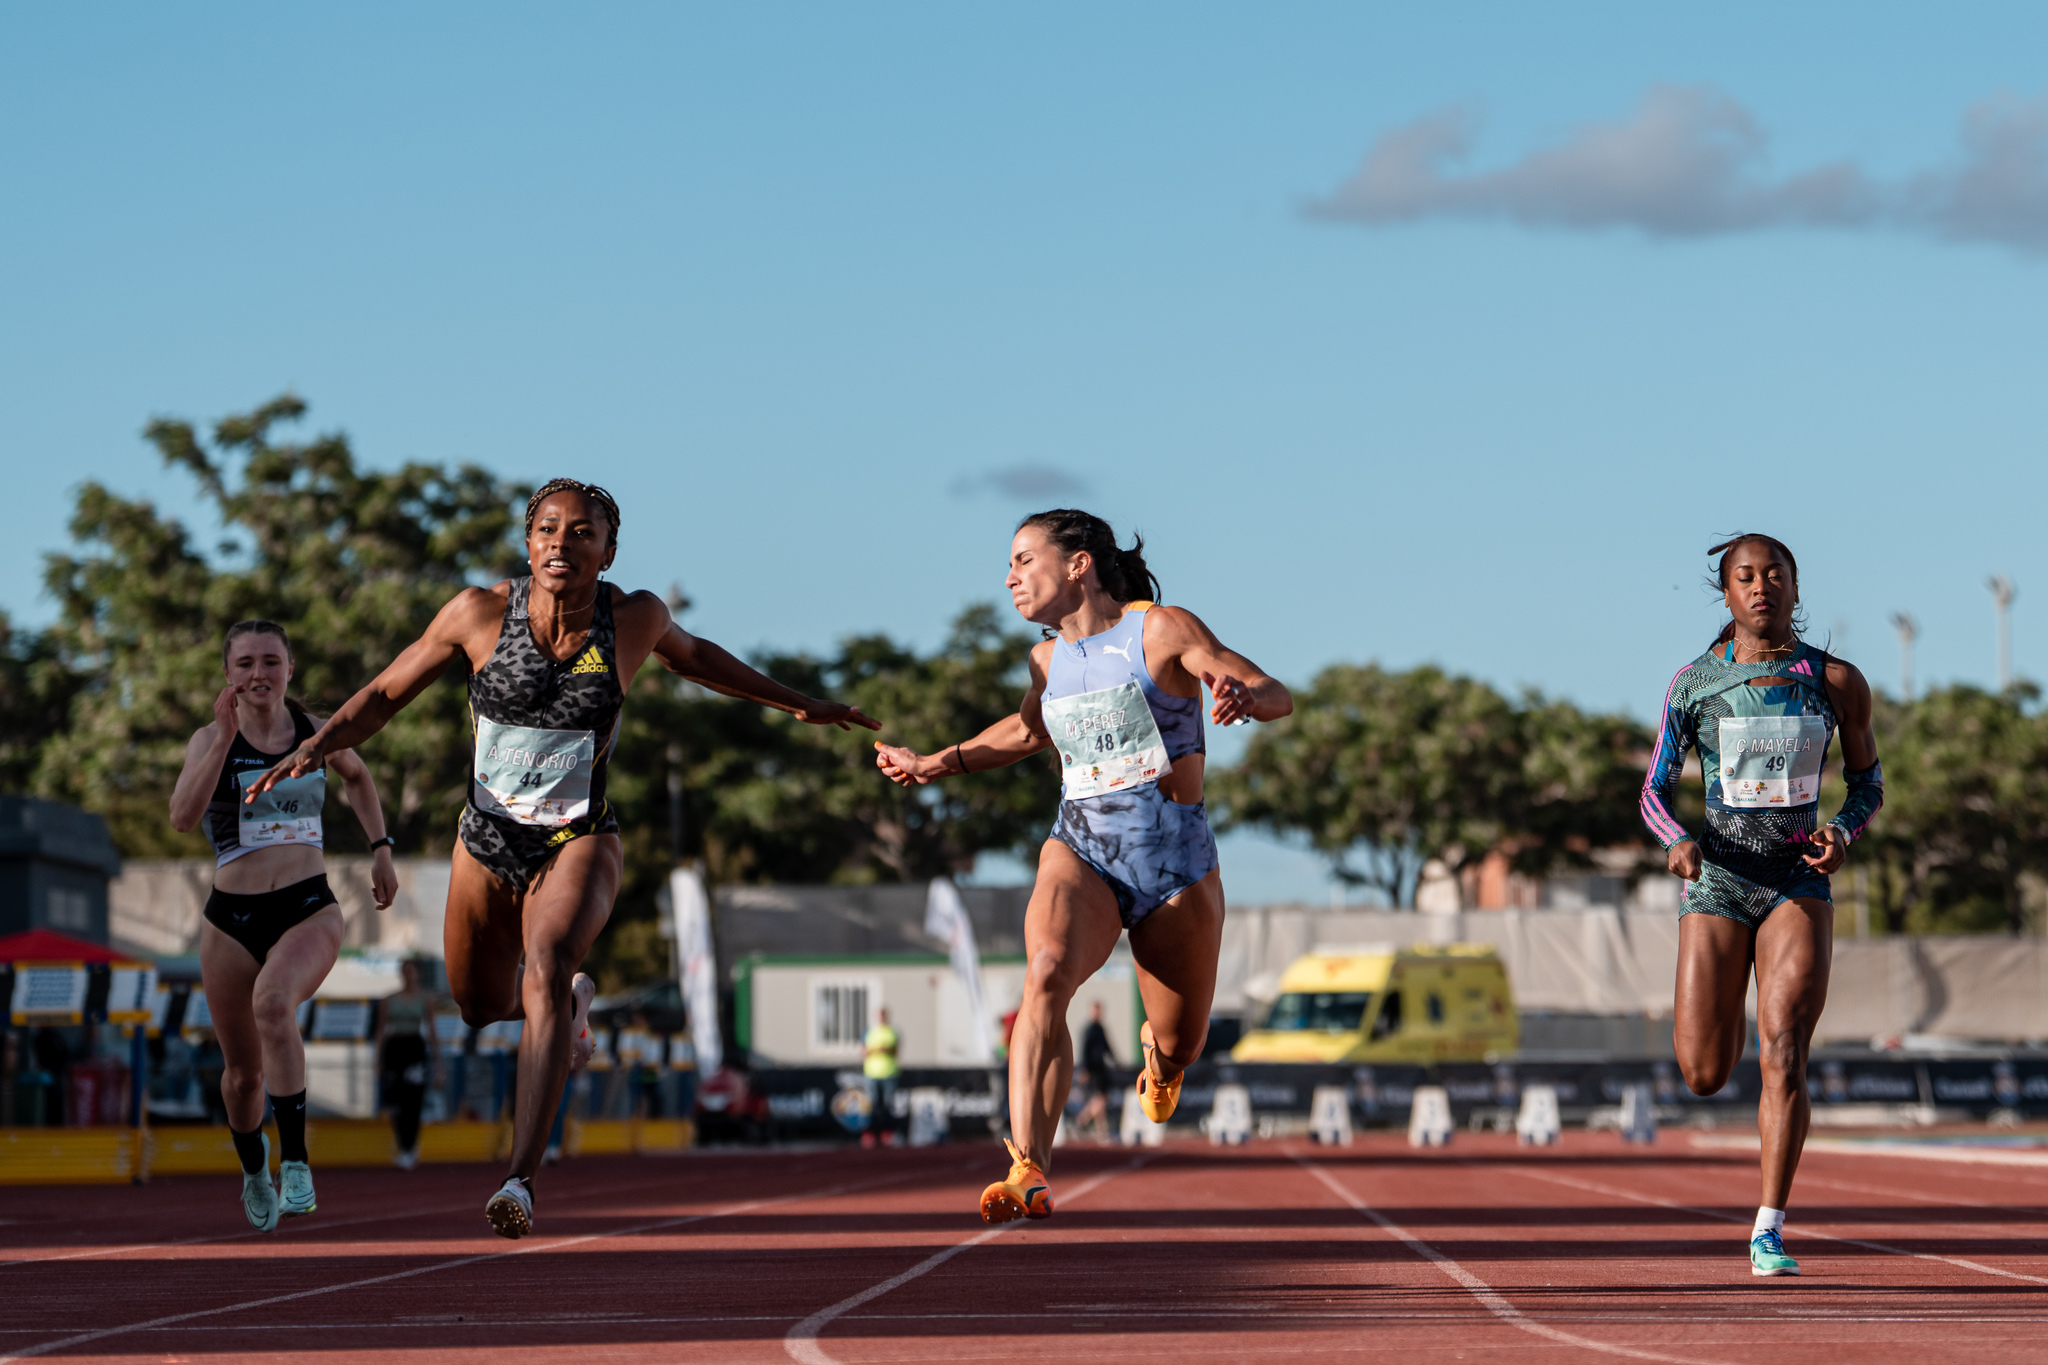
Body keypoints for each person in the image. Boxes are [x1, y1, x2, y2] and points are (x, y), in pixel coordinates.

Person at [249, 479, 878, 1237]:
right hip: (486, 841)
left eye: (583, 533)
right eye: (548, 529)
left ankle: (519, 1179)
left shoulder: (634, 619)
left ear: (608, 552)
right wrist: (320, 743)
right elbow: (385, 693)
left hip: (579, 837)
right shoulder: (478, 613)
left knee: (545, 962)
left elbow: (698, 659)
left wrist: (801, 702)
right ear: (527, 544)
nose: (562, 543)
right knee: (479, 1005)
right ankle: (573, 1006)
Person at [875, 509, 1290, 1222]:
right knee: (1045, 973)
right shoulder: (1046, 662)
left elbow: (1276, 692)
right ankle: (1027, 1166)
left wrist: (1246, 698)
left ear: (1078, 564)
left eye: (1023, 559)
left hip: (1175, 866)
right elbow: (1026, 732)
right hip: (1083, 849)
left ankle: (1161, 1061)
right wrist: (933, 763)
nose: (1010, 578)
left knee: (1181, 1041)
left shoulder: (1159, 630)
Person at [1641, 534, 1881, 1278]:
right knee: (1703, 1071)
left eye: (1775, 574)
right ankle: (1724, 1038)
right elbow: (1654, 790)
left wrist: (1842, 831)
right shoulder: (1695, 683)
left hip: (1796, 881)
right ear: (1726, 593)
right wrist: (1677, 840)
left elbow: (1868, 784)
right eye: (1745, 576)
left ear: (1794, 587)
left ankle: (1768, 1228)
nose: (1761, 586)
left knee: (1785, 1049)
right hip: (1718, 880)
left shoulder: (1834, 680)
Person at [168, 619, 399, 1231]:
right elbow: (182, 819)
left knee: (273, 1004)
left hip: (307, 907)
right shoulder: (207, 739)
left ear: (289, 669)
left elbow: (358, 775)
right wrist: (223, 740)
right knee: (243, 1078)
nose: (258, 674)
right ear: (228, 674)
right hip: (230, 920)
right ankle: (254, 1169)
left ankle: (296, 1162)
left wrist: (380, 848)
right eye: (245, 663)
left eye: (270, 661)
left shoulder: (316, 734)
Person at [375, 959, 439, 1169]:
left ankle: (410, 1146)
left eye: (412, 971)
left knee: (414, 1099)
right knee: (395, 1100)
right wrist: (377, 1059)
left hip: (415, 1048)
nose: (409, 975)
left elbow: (432, 1030)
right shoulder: (389, 999)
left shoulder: (425, 998)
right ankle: (403, 1143)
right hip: (395, 1048)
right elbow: (381, 1030)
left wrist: (438, 1062)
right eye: (405, 971)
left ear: (418, 974)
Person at [1074, 1001, 1115, 1140]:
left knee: (1099, 1100)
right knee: (1099, 1100)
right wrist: (1084, 1069)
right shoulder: (1089, 1030)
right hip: (1092, 1070)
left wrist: (1115, 1060)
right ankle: (1086, 1123)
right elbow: (1084, 1050)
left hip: (1101, 1068)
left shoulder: (1100, 1028)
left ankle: (1096, 1129)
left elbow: (1107, 1046)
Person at [861, 1007, 901, 1147]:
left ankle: (887, 1133)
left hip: (889, 1073)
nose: (881, 1018)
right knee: (872, 1104)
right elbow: (864, 1051)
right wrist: (878, 1049)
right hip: (872, 1073)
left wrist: (881, 1050)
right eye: (879, 1016)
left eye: (883, 1016)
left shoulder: (892, 1032)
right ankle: (870, 1134)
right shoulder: (870, 1032)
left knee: (888, 1104)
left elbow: (895, 1050)